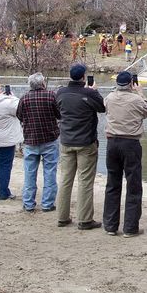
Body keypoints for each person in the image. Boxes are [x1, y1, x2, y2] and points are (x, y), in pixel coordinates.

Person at [102, 70, 147, 236]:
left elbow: (105, 106)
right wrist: (141, 93)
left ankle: (110, 225)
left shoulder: (109, 98)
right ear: (131, 84)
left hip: (112, 143)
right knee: (133, 185)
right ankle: (130, 227)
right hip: (130, 143)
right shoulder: (137, 99)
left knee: (112, 184)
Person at [56, 63, 106, 230]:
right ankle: (84, 219)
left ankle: (62, 217)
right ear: (84, 77)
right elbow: (102, 108)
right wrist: (95, 90)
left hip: (66, 141)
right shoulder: (89, 93)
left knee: (65, 179)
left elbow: (58, 111)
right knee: (85, 181)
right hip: (86, 142)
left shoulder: (61, 92)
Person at [15, 72, 61, 213]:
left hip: (31, 140)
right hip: (49, 139)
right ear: (43, 83)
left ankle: (28, 203)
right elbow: (59, 114)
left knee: (29, 173)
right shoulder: (51, 96)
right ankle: (47, 204)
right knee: (50, 173)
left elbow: (19, 116)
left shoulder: (24, 98)